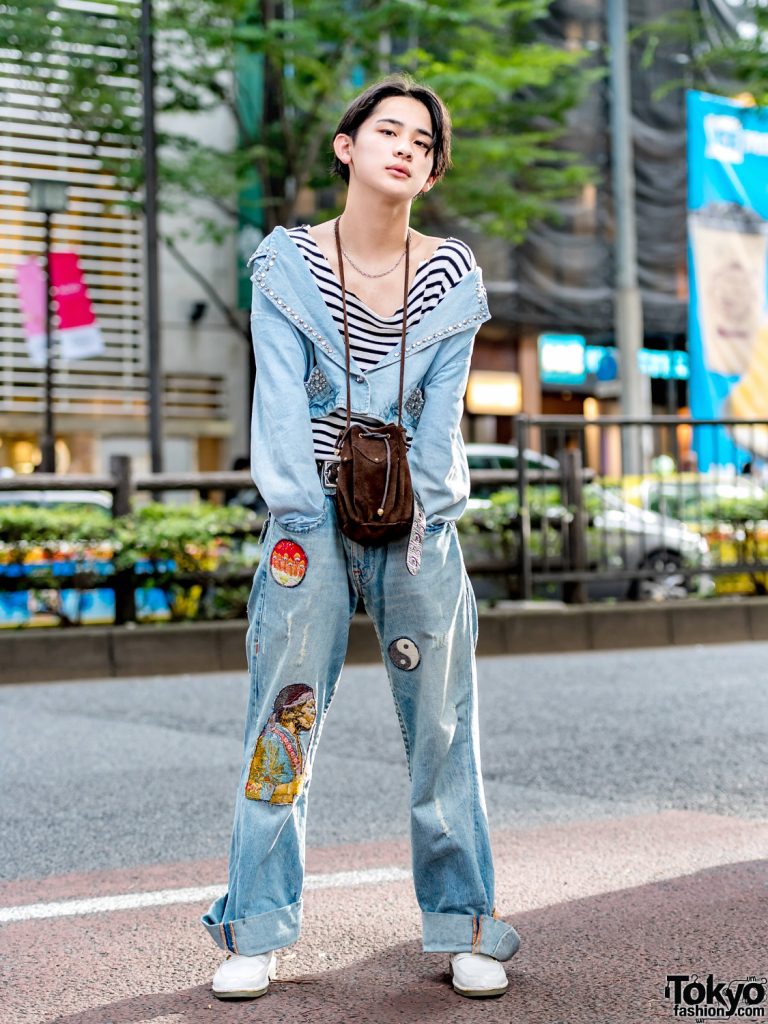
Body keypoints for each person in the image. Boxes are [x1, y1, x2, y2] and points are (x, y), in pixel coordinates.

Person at [202, 73, 521, 1001]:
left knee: (443, 732)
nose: (407, 148)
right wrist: (304, 525)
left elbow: (440, 425)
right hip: (310, 529)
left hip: (418, 535)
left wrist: (417, 524)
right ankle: (254, 928)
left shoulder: (452, 277)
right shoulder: (286, 266)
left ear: (429, 172)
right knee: (284, 723)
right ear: (347, 147)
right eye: (390, 131)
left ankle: (463, 925)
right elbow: (277, 413)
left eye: (424, 143)